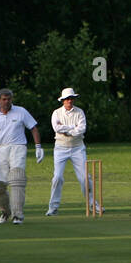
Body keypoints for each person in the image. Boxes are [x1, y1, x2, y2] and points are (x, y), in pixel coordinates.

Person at [0, 88, 43, 225]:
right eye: (4, 99)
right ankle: (5, 212)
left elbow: (33, 128)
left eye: (9, 99)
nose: (7, 102)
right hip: (1, 149)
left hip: (18, 148)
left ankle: (18, 215)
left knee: (17, 179)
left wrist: (38, 147)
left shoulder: (21, 111)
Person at [46, 87, 94, 215]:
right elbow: (56, 128)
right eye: (67, 99)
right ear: (63, 100)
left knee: (84, 177)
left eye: (71, 98)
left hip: (78, 148)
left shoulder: (79, 112)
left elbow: (82, 129)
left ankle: (93, 204)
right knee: (57, 177)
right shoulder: (56, 113)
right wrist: (73, 128)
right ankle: (53, 207)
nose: (69, 101)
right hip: (60, 148)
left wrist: (67, 130)